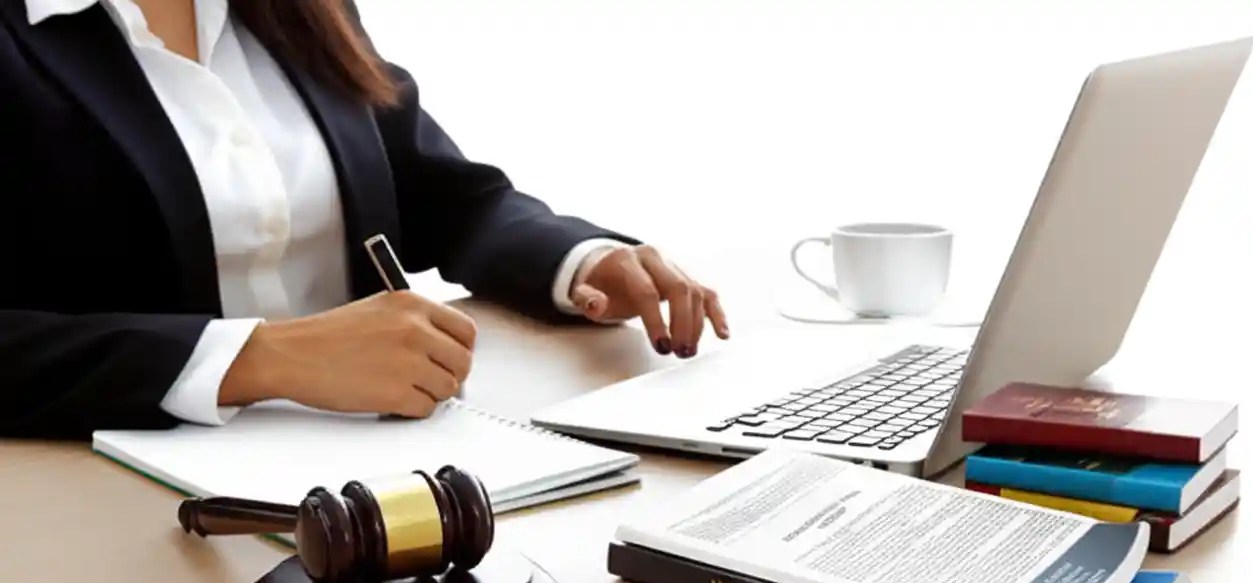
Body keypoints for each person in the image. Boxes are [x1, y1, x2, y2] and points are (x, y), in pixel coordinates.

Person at [0, 0, 729, 439]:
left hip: (379, 459)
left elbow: (437, 191)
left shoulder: (293, 10)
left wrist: (582, 262)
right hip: (114, 499)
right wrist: (260, 360)